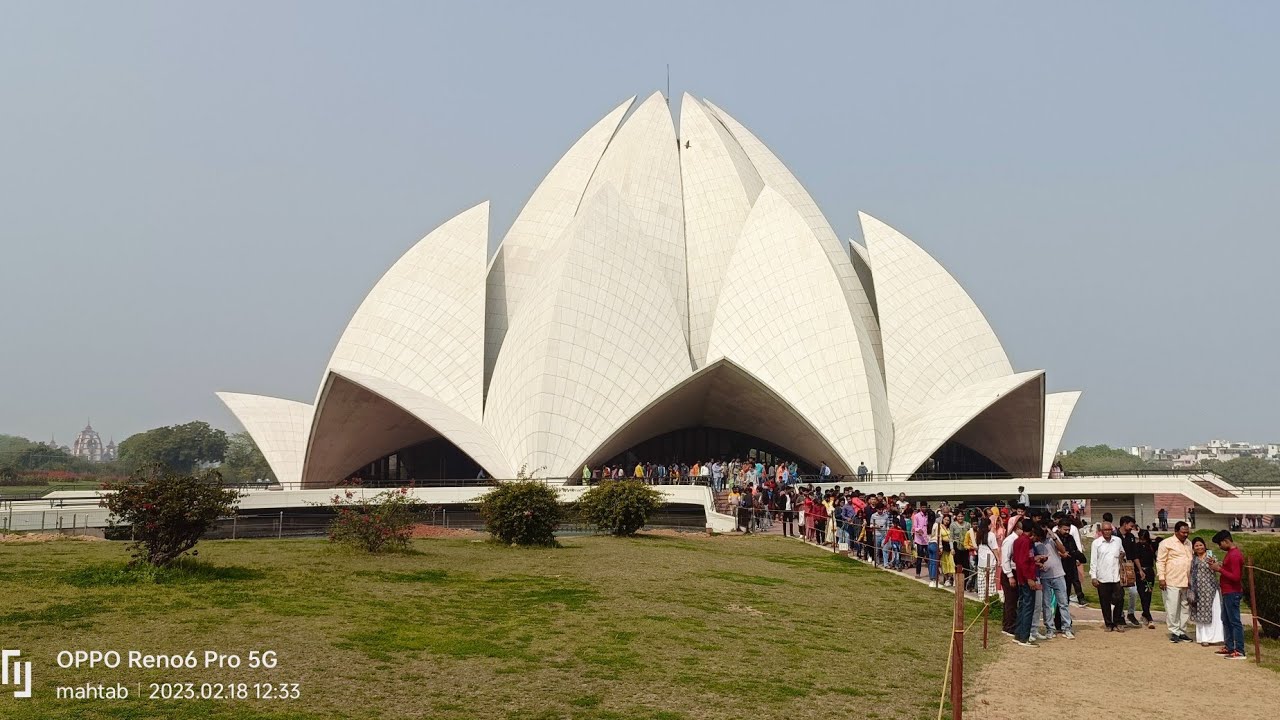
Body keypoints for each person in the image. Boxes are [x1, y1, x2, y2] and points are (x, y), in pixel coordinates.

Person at [1210, 530, 1247, 659]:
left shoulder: (1235, 555)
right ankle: (1230, 646)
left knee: (1234, 621)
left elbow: (1236, 577)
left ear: (1226, 541)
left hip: (1232, 591)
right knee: (1226, 619)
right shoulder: (1230, 554)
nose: (1219, 547)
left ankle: (1240, 649)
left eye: (1220, 544)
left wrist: (1219, 569)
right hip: (1227, 591)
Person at [1033, 524, 1074, 639]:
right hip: (1044, 576)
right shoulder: (1035, 542)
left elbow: (1063, 550)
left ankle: (1067, 628)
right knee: (1046, 604)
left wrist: (1054, 537)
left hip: (1058, 574)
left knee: (1063, 603)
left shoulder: (1052, 539)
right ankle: (1049, 628)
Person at [1157, 521, 1194, 643]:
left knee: (1185, 607)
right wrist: (1161, 578)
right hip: (1171, 580)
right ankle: (1174, 631)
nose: (1185, 535)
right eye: (1183, 532)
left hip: (1186, 581)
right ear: (1176, 531)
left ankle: (1182, 631)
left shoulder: (1189, 543)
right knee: (1172, 607)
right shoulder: (1166, 543)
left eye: (1187, 532)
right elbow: (1161, 561)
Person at [1090, 521, 1126, 632]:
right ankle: (1109, 623)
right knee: (1104, 601)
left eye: (1109, 530)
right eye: (1105, 530)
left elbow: (1123, 554)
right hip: (1103, 577)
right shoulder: (1096, 543)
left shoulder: (1118, 541)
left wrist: (1122, 555)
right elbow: (1093, 561)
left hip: (1116, 576)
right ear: (1101, 531)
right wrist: (1093, 576)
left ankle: (1117, 621)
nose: (1107, 532)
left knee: (1119, 599)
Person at [1189, 537, 1224, 647]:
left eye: (1201, 545)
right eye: (1196, 546)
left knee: (1214, 612)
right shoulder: (1193, 559)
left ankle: (1216, 637)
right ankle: (1203, 638)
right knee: (1201, 613)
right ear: (1193, 548)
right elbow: (1190, 573)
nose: (1199, 547)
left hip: (1211, 589)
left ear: (1204, 545)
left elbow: (1217, 567)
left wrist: (1213, 563)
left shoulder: (1210, 556)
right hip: (1198, 590)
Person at [1012, 519, 1041, 647]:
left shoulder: (1017, 540)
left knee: (1023, 606)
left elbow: (1017, 559)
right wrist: (1030, 578)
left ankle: (1018, 633)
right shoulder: (1027, 542)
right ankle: (1024, 637)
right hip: (1027, 577)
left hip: (1020, 577)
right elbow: (1025, 561)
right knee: (1028, 607)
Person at [1118, 516, 1144, 628]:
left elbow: (1135, 555)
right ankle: (1120, 615)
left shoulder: (1131, 537)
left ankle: (1131, 613)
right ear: (1124, 524)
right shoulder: (1115, 535)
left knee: (1133, 591)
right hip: (1116, 567)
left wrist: (1140, 569)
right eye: (1131, 526)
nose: (1132, 528)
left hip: (1129, 566)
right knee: (1119, 593)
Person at [1000, 520, 1022, 637]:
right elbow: (1005, 559)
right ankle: (1009, 626)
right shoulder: (1009, 541)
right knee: (1010, 601)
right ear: (1016, 528)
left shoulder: (1018, 540)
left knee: (1014, 600)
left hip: (1016, 572)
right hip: (1009, 573)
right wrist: (1010, 576)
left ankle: (1011, 624)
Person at [1134, 529, 1157, 628]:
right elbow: (1136, 558)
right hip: (1140, 572)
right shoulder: (1137, 546)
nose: (1142, 541)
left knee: (1148, 593)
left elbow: (1160, 540)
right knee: (1142, 594)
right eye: (1141, 539)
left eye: (1144, 539)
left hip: (1149, 572)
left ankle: (1145, 614)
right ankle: (1148, 616)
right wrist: (1140, 570)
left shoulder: (1151, 546)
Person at [937, 514, 956, 587]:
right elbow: (939, 537)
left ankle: (952, 578)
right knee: (944, 563)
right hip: (943, 546)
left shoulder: (950, 528)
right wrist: (940, 547)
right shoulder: (940, 527)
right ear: (943, 519)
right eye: (945, 520)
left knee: (951, 563)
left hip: (950, 546)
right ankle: (946, 579)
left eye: (948, 520)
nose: (947, 521)